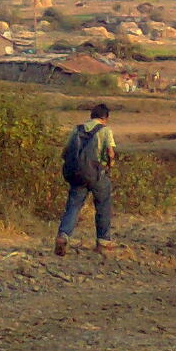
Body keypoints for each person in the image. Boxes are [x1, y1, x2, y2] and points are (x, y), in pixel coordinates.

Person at [55, 102, 117, 256]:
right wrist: (110, 166)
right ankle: (103, 241)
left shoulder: (77, 129)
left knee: (73, 206)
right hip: (97, 173)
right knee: (103, 205)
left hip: (77, 174)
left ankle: (63, 235)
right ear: (105, 118)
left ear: (91, 116)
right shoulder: (105, 130)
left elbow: (65, 151)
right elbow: (110, 152)